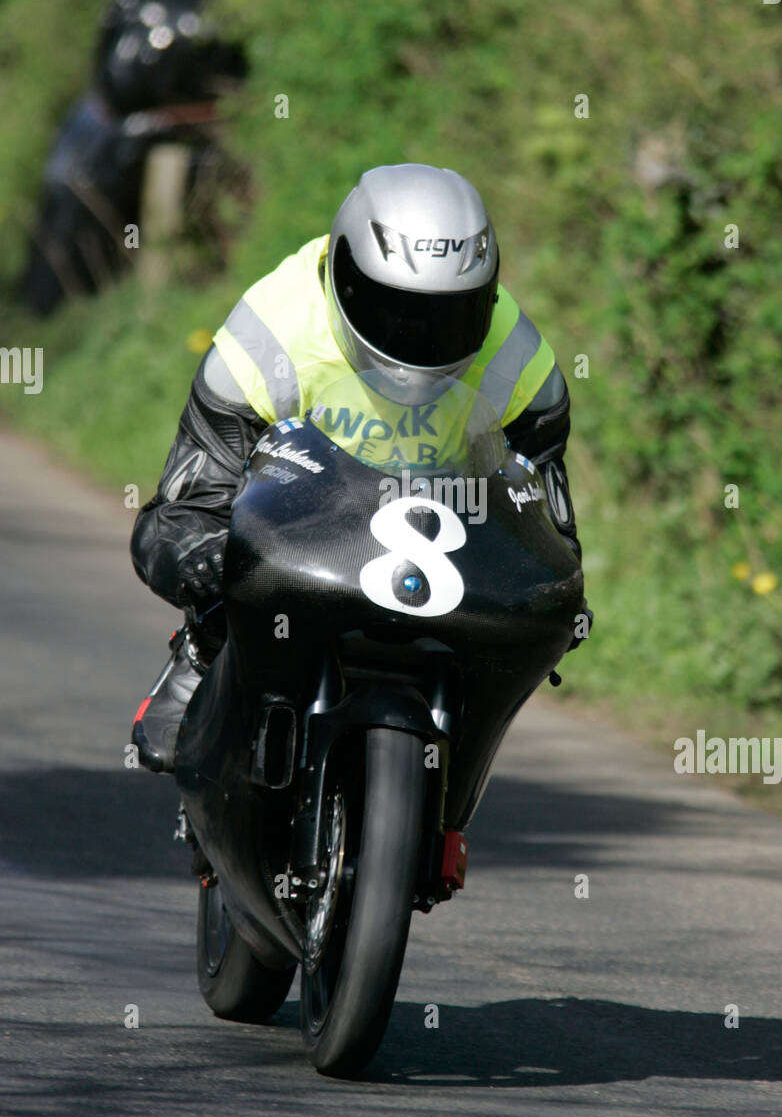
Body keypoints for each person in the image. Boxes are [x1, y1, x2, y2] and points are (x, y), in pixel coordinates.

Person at [130, 163, 590, 771]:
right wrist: (203, 556)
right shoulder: (270, 333)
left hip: (441, 541)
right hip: (297, 520)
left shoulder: (520, 363)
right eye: (394, 311)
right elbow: (187, 502)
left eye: (448, 316)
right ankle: (204, 654)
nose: (419, 338)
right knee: (206, 568)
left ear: (489, 296)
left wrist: (548, 597)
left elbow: (546, 527)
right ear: (342, 276)